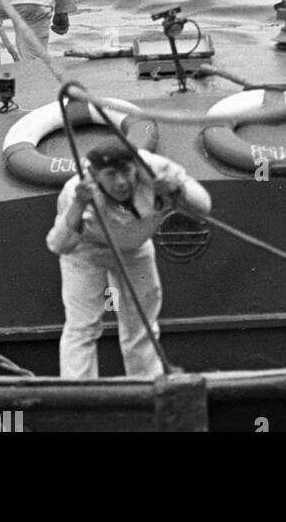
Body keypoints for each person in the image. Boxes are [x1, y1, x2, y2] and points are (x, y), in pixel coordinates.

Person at [46, 139, 212, 379]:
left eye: (126, 171)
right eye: (111, 174)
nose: (121, 182)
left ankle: (145, 384)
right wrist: (79, 204)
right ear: (94, 174)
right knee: (82, 326)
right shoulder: (76, 190)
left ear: (135, 165)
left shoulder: (157, 170)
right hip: (86, 251)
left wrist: (177, 189)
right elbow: (58, 245)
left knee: (142, 322)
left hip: (135, 247)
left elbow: (203, 207)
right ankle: (78, 392)